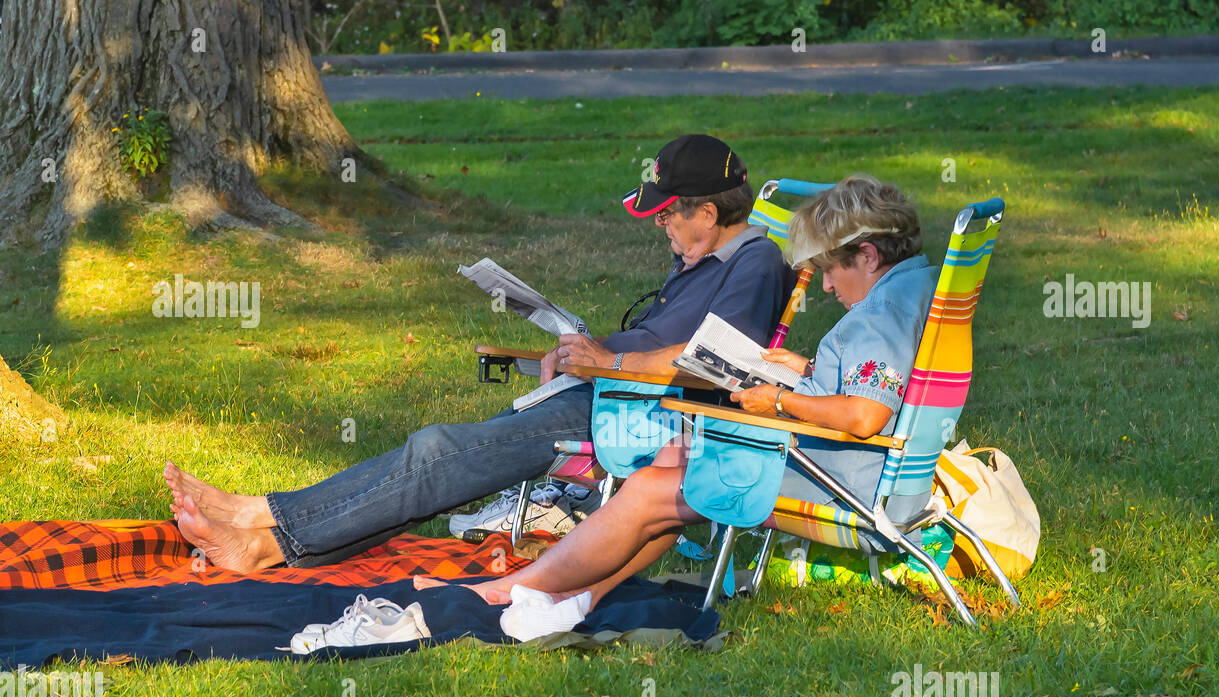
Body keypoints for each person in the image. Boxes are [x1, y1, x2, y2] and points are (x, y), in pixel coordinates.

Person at [164, 134, 794, 572]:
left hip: (646, 414)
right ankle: (271, 544)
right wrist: (583, 351)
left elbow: (718, 363)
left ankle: (264, 517)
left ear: (708, 212)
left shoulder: (755, 262)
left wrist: (606, 363)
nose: (661, 227)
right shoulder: (700, 256)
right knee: (440, 459)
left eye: (667, 217)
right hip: (607, 392)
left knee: (438, 451)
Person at [418, 174, 938, 640]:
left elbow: (865, 416)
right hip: (850, 466)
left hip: (836, 476)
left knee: (650, 485)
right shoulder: (911, 288)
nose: (824, 286)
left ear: (868, 255)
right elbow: (871, 387)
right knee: (671, 457)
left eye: (830, 270)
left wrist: (778, 398)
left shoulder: (879, 314)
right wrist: (808, 372)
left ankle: (516, 585)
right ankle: (579, 595)